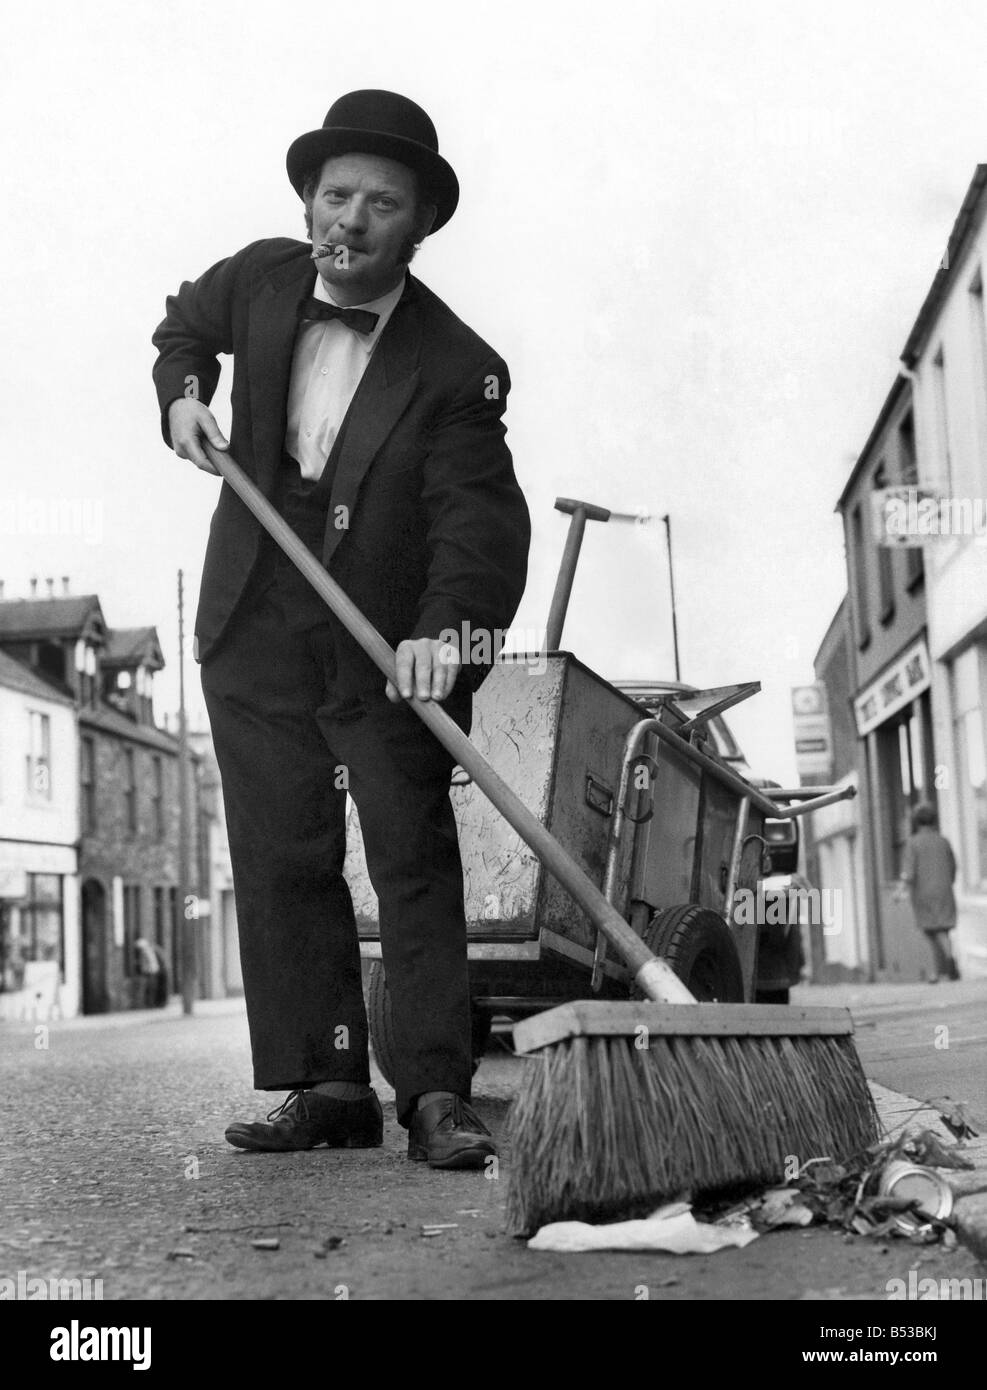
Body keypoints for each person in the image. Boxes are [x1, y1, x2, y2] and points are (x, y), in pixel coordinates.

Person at [152, 90, 530, 1169]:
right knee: (282, 852)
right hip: (256, 615)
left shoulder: (459, 365)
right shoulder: (264, 280)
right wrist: (183, 396)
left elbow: (476, 521)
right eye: (336, 196)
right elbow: (183, 327)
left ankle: (434, 1093)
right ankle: (327, 1084)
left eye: (381, 202)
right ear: (308, 203)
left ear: (420, 224)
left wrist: (443, 632)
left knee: (409, 852)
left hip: (383, 634)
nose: (352, 221)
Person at [895, 803, 961, 983]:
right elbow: (953, 866)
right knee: (943, 930)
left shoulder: (913, 843)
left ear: (916, 821)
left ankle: (937, 971)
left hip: (923, 892)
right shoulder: (943, 840)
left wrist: (899, 891)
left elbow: (908, 872)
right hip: (944, 890)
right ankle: (949, 962)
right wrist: (948, 882)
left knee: (931, 932)